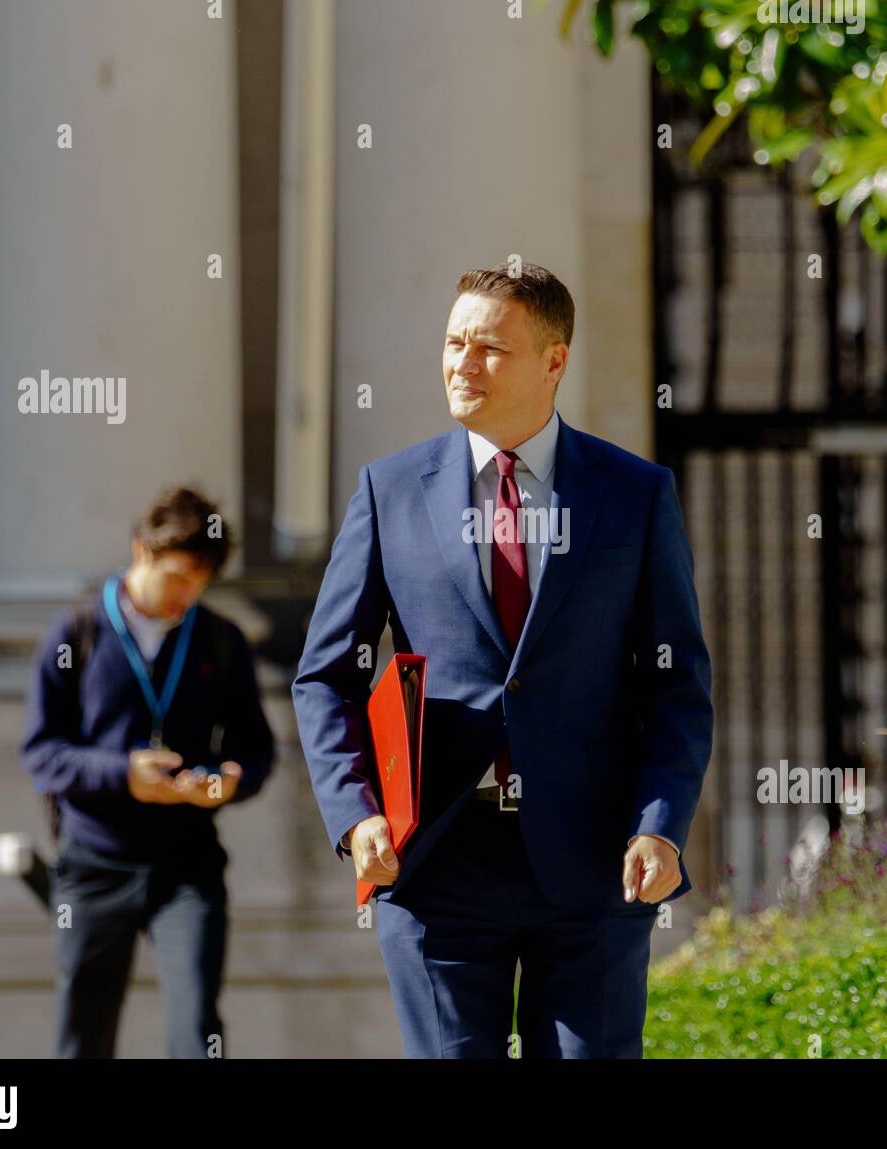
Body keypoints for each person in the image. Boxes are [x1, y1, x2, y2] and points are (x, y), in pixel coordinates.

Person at [293, 262, 714, 1058]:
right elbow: (326, 676)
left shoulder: (634, 493)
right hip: (437, 867)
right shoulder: (389, 490)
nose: (461, 364)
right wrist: (356, 813)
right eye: (453, 343)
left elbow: (677, 685)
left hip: (593, 868)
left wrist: (661, 826)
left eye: (489, 348)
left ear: (555, 360)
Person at [21, 486, 275, 1058]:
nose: (187, 596)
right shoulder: (75, 633)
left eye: (201, 582)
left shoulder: (221, 639)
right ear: (141, 551)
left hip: (188, 866)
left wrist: (227, 782)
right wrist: (121, 774)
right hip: (93, 864)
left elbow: (257, 750)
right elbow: (41, 751)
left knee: (197, 1031)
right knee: (83, 1033)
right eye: (178, 577)